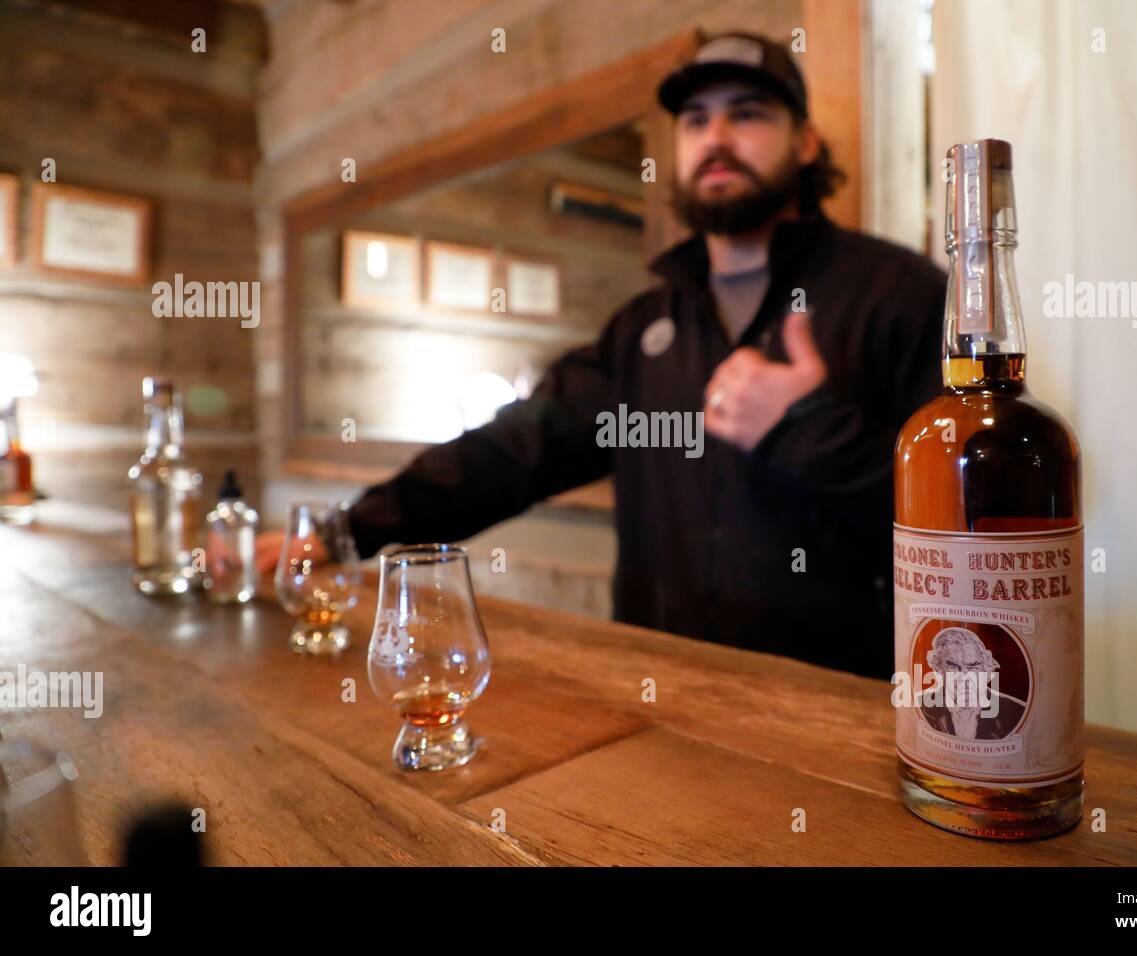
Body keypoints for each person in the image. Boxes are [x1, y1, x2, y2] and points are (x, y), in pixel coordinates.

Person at [257, 32, 946, 678]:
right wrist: (346, 530)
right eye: (695, 120)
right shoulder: (643, 328)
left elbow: (963, 518)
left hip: (838, 709)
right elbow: (512, 450)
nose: (717, 137)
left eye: (748, 113)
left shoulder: (902, 294)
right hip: (658, 694)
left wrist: (811, 431)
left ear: (806, 143)